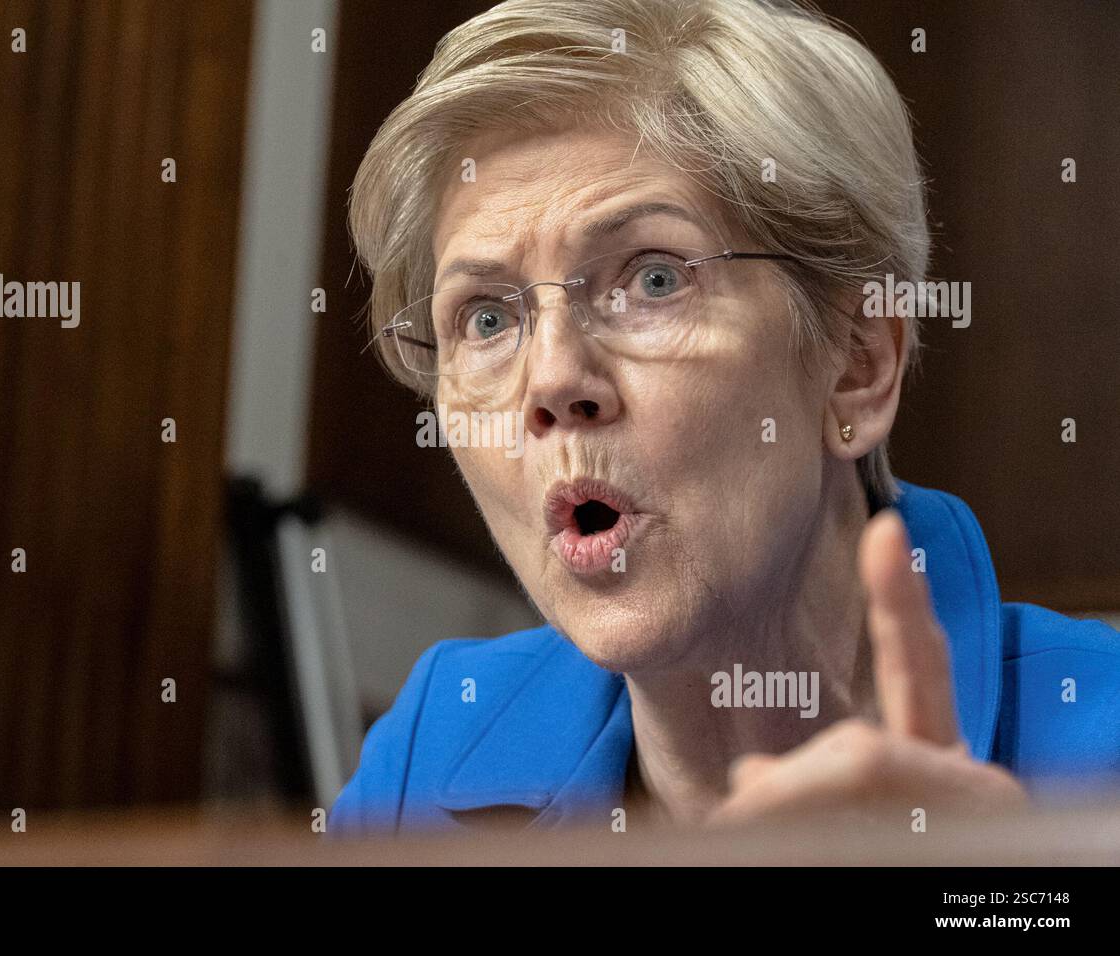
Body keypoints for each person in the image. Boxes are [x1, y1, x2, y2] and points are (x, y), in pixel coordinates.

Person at [328, 0, 1120, 835]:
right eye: (486, 318)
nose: (553, 381)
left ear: (857, 364)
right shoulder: (438, 742)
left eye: (654, 280)